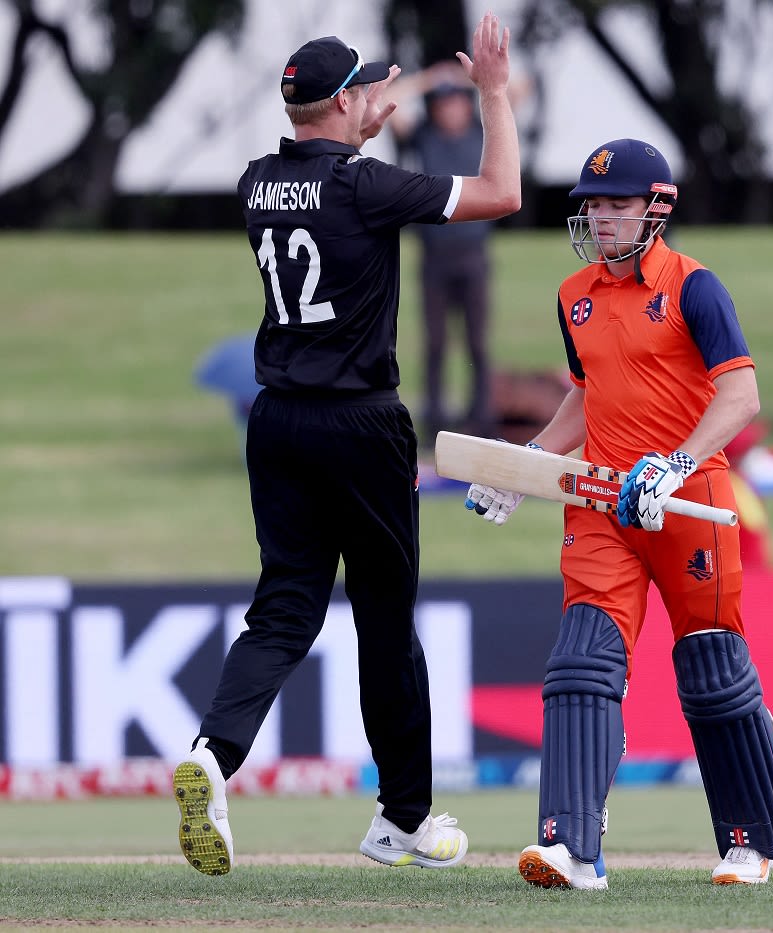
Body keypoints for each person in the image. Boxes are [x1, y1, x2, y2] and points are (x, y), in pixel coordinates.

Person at [170, 17, 520, 876]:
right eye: (365, 88)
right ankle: (402, 819)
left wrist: (355, 121)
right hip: (360, 424)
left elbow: (317, 174)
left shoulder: (257, 183)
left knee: (285, 605)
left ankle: (213, 756)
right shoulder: (368, 185)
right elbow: (501, 192)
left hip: (278, 420)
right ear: (342, 102)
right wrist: (496, 96)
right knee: (387, 622)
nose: (378, 97)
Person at [463, 138, 773, 890]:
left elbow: (741, 397)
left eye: (617, 203)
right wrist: (524, 469)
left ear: (656, 208)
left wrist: (675, 463)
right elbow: (586, 395)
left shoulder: (695, 287)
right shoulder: (573, 293)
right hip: (604, 503)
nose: (602, 217)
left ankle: (749, 840)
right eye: (593, 203)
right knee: (580, 664)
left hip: (687, 500)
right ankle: (573, 848)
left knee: (711, 673)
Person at [391, 65, 498, 438]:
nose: (450, 109)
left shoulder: (481, 133)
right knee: (435, 342)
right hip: (434, 255)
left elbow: (516, 90)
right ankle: (434, 421)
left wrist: (472, 76)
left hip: (474, 254)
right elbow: (390, 101)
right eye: (443, 102)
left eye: (456, 101)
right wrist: (430, 78)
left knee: (478, 342)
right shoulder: (423, 136)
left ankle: (482, 420)